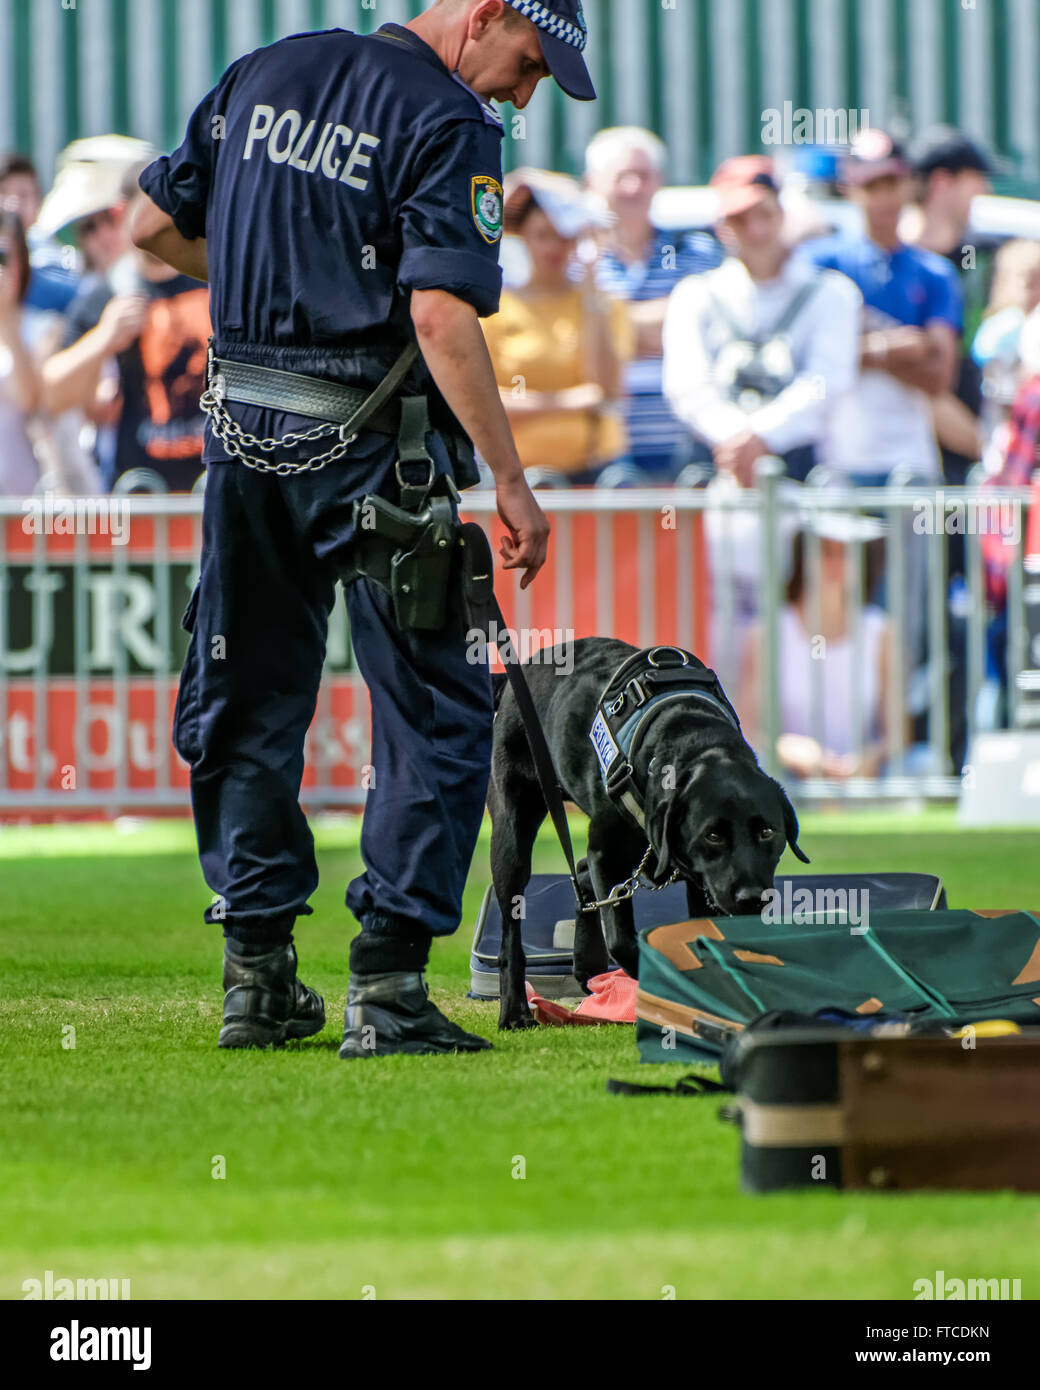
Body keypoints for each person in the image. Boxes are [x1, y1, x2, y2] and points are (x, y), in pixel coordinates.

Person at [129, 0, 586, 1057]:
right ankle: (385, 988)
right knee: (431, 713)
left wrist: (280, 272)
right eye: (527, 64)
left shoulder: (266, 70)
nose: (521, 94)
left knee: (244, 698)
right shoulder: (447, 118)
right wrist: (513, 485)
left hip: (242, 443)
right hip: (380, 453)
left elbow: (154, 227)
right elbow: (438, 314)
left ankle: (257, 979)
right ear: (483, 17)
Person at [663, 155, 861, 488]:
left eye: (764, 214)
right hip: (718, 475)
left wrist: (762, 438)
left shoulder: (832, 294)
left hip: (805, 478)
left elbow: (828, 379)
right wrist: (737, 440)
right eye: (740, 219)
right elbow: (687, 386)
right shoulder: (695, 296)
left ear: (782, 214)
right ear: (722, 227)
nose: (755, 231)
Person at [43, 164, 212, 492]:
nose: (164, 220)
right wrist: (104, 339)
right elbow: (52, 395)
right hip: (138, 493)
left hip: (213, 488)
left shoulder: (214, 282)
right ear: (124, 212)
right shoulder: (109, 293)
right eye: (156, 206)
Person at [583, 126, 722, 481]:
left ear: (659, 181)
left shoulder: (698, 251)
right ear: (591, 183)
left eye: (643, 176)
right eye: (622, 176)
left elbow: (715, 330)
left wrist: (609, 325)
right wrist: (673, 322)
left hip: (691, 456)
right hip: (601, 463)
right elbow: (569, 340)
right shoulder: (573, 262)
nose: (633, 188)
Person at [482, 168, 633, 484]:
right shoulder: (495, 307)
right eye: (542, 235)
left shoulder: (605, 305)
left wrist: (592, 285)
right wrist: (567, 401)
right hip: (515, 480)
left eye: (564, 235)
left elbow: (607, 391)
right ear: (523, 236)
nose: (553, 247)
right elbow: (482, 399)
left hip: (594, 478)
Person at [739, 516, 893, 782]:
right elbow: (747, 730)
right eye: (826, 550)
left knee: (923, 763)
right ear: (804, 556)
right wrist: (789, 750)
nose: (837, 562)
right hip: (788, 779)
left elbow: (898, 735)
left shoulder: (881, 632)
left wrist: (869, 759)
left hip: (866, 783)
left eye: (847, 552)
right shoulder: (766, 633)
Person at [0, 209, 43, 494]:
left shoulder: (46, 328)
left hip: (25, 512)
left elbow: (30, 400)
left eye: (2, 257)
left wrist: (6, 319)